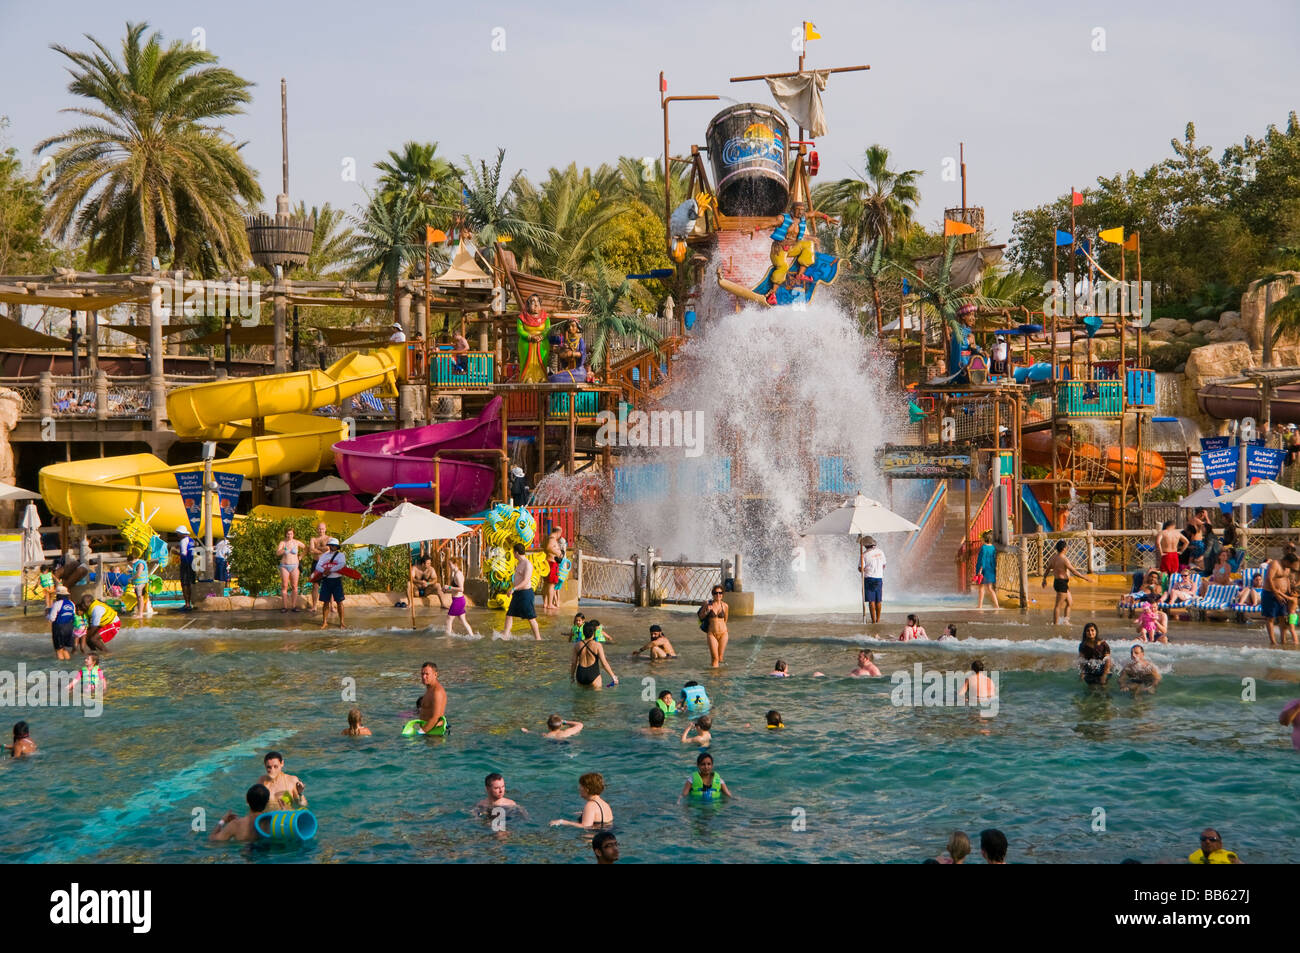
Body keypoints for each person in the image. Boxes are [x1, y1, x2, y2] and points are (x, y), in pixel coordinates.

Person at [1041, 539, 1091, 625]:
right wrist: (1085, 578)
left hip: (1059, 582)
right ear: (1064, 548)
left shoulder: (1053, 558)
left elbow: (1047, 569)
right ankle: (1055, 625)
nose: (1067, 549)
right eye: (1066, 547)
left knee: (1070, 602)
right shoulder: (1064, 559)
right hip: (1061, 584)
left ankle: (1066, 621)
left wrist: (1044, 579)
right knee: (1058, 606)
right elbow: (1074, 571)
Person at [502, 543, 541, 640]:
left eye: (513, 552)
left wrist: (514, 588)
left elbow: (526, 581)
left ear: (516, 552)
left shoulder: (527, 564)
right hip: (518, 593)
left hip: (525, 594)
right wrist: (513, 589)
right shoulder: (519, 563)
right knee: (509, 614)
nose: (513, 554)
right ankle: (505, 635)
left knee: (531, 617)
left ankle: (538, 638)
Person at [1262, 552, 1299, 646]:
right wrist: (1276, 594)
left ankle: (1283, 640)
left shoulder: (1287, 568)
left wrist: (1289, 590)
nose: (1291, 567)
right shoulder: (1275, 564)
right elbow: (1269, 579)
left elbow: (1286, 579)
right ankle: (1273, 642)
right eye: (1291, 564)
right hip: (1270, 594)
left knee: (1282, 617)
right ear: (1286, 561)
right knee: (1270, 618)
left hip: (1283, 595)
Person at [571, 619, 619, 689]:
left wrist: (572, 677)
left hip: (580, 675)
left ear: (583, 632)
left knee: (581, 699)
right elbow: (604, 663)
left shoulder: (577, 645)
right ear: (593, 633)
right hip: (593, 675)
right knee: (596, 698)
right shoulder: (597, 645)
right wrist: (613, 677)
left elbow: (573, 663)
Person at [313, 537, 348, 630]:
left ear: (337, 547)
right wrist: (324, 571)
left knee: (339, 602)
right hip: (326, 580)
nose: (332, 547)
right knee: (325, 602)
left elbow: (341, 564)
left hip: (336, 580)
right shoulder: (324, 555)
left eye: (334, 545)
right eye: (330, 545)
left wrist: (330, 570)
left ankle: (342, 622)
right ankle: (324, 622)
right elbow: (318, 566)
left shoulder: (341, 555)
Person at [697, 584, 730, 667]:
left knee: (720, 658)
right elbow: (701, 617)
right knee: (715, 658)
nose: (718, 595)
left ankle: (721, 676)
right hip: (712, 634)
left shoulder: (725, 606)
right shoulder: (707, 604)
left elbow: (725, 620)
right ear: (713, 594)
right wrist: (707, 611)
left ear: (722, 594)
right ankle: (713, 678)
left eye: (720, 593)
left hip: (723, 633)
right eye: (716, 593)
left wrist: (723, 630)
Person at [408, 556, 444, 629]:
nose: (430, 565)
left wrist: (428, 584)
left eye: (430, 563)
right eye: (428, 563)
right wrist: (420, 581)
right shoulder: (415, 568)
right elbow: (411, 578)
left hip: (426, 590)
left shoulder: (431, 569)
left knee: (438, 585)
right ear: (423, 564)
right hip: (417, 589)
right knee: (409, 583)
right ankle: (410, 603)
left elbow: (435, 579)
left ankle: (443, 604)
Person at [415, 661, 449, 736]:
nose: (424, 677)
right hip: (427, 732)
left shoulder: (437, 692)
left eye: (427, 674)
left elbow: (435, 718)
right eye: (422, 674)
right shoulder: (429, 690)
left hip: (434, 736)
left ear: (435, 675)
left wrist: (419, 733)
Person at [443, 556, 474, 637]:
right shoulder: (454, 574)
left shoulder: (458, 575)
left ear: (455, 564)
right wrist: (447, 590)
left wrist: (449, 587)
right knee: (463, 621)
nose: (449, 566)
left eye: (450, 564)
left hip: (458, 601)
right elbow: (454, 589)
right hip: (458, 600)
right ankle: (472, 636)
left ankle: (447, 638)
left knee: (449, 619)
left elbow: (461, 589)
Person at [859, 536, 887, 623]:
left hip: (869, 578)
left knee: (871, 601)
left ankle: (873, 621)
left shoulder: (864, 555)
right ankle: (878, 620)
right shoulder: (880, 552)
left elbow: (860, 569)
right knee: (878, 600)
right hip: (879, 578)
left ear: (865, 545)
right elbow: (884, 565)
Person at [276, 526, 303, 613]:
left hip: (295, 566)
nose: (289, 535)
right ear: (286, 534)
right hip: (284, 566)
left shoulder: (296, 542)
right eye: (288, 534)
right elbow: (277, 553)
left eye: (291, 533)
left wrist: (301, 556)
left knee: (294, 586)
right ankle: (284, 606)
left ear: (293, 534)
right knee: (284, 586)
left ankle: (294, 606)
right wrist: (284, 550)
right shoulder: (282, 542)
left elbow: (306, 548)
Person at [47, 585, 76, 660]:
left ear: (58, 595)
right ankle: (68, 663)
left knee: (58, 649)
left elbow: (52, 618)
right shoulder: (72, 603)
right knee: (64, 648)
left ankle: (60, 668)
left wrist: (47, 615)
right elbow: (73, 615)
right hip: (69, 628)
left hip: (59, 628)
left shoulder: (57, 604)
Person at [975, 531, 1000, 609]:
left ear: (984, 539)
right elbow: (993, 559)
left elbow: (982, 560)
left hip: (984, 570)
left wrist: (980, 570)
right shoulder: (993, 547)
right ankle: (996, 605)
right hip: (991, 569)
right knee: (990, 588)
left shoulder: (983, 547)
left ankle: (980, 606)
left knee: (981, 588)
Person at [308, 522, 330, 608]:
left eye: (322, 528)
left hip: (326, 564)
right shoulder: (313, 539)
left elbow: (329, 548)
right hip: (316, 563)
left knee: (329, 584)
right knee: (315, 585)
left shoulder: (329, 538)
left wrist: (317, 548)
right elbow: (311, 550)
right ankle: (314, 606)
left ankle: (331, 606)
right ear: (317, 529)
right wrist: (323, 550)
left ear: (325, 529)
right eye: (319, 528)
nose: (321, 530)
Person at [542, 528, 564, 611]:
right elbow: (548, 547)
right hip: (552, 563)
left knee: (546, 583)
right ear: (558, 532)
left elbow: (543, 546)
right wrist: (558, 553)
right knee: (551, 584)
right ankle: (549, 604)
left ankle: (545, 603)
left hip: (547, 562)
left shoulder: (548, 538)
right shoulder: (552, 538)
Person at [176, 526, 196, 611]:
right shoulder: (192, 540)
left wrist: (175, 552)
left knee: (184, 584)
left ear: (181, 534)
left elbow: (184, 553)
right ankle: (189, 603)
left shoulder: (183, 541)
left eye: (178, 533)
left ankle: (187, 604)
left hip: (185, 564)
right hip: (192, 563)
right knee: (189, 583)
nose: (177, 535)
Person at [129, 548, 152, 620]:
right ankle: (139, 613)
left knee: (140, 598)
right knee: (138, 598)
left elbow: (138, 574)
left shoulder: (140, 564)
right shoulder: (136, 564)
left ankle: (140, 614)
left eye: (130, 562)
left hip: (141, 584)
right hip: (138, 583)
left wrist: (131, 578)